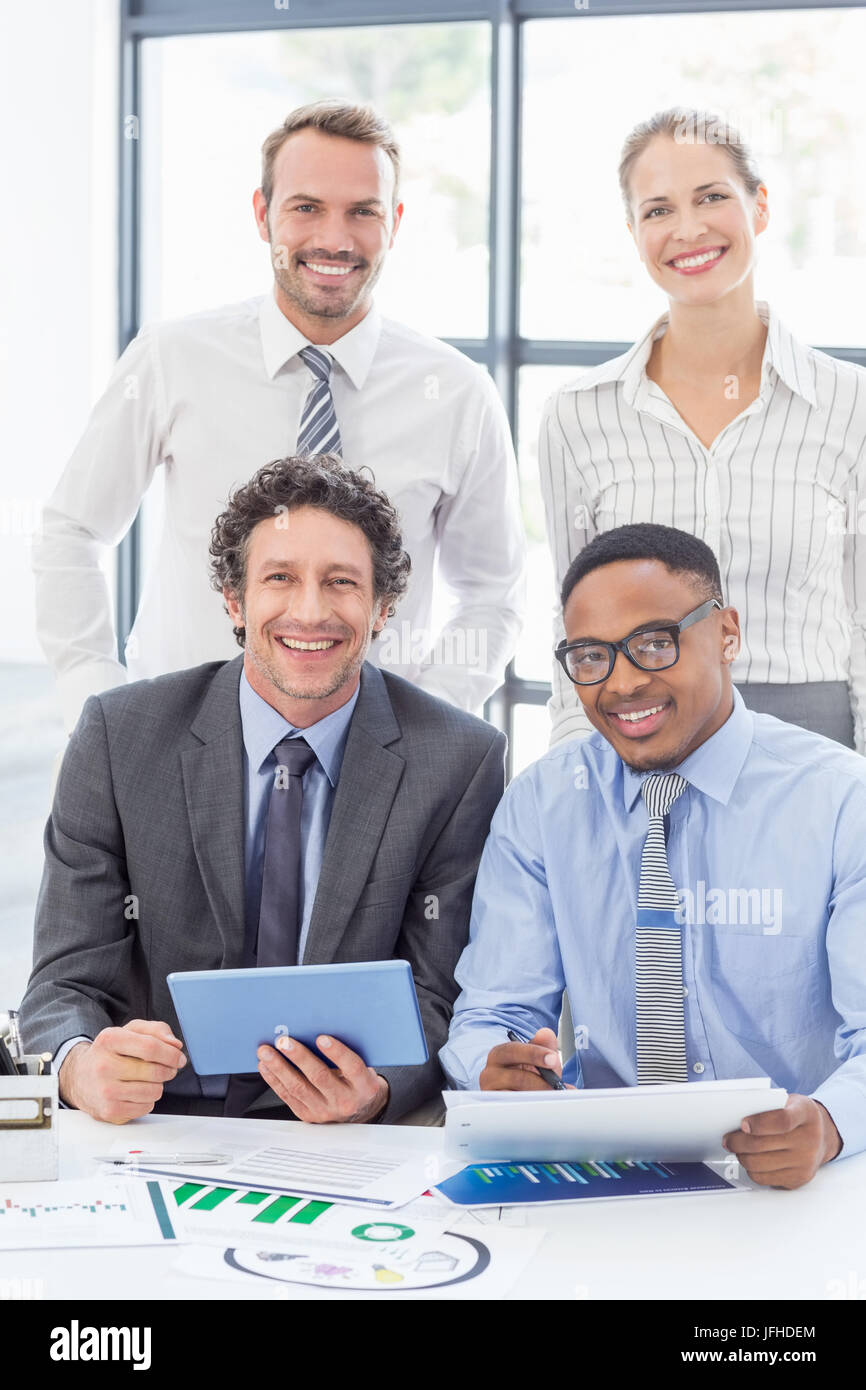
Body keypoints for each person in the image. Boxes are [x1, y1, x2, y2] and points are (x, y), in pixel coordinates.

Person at [20, 455, 506, 1125]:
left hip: (350, 1138)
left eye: (341, 582)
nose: (310, 611)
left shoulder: (460, 761)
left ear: (383, 607)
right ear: (234, 599)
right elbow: (64, 981)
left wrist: (384, 1087)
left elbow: (444, 992)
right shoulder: (117, 737)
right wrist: (79, 1064)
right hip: (155, 1124)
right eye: (280, 578)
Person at [34, 99, 524, 734]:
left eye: (363, 211)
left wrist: (427, 728)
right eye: (306, 207)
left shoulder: (456, 392)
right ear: (263, 215)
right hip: (179, 742)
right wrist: (94, 699)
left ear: (394, 223)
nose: (334, 239)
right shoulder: (171, 358)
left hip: (372, 758)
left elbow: (493, 593)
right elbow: (72, 530)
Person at [441, 523, 866, 1188]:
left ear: (727, 633)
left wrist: (831, 1123)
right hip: (610, 1181)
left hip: (800, 1189)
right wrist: (495, 1066)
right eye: (590, 657)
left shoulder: (842, 801)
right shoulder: (542, 805)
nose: (622, 685)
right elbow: (494, 1012)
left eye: (653, 645)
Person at [539, 106, 866, 751]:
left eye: (711, 197)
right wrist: (574, 773)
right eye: (657, 210)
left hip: (812, 749)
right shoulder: (578, 415)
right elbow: (572, 618)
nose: (687, 229)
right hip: (639, 736)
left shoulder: (850, 404)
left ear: (760, 207)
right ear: (634, 232)